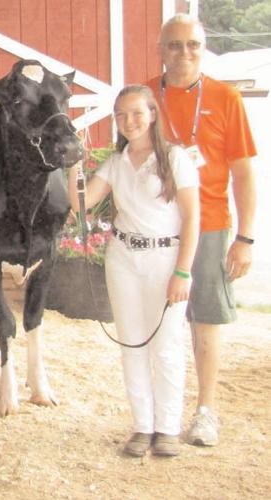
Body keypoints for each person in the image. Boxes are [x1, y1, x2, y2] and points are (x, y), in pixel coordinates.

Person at [69, 85, 199, 457]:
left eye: (136, 113)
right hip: (124, 257)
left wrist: (183, 271)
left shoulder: (174, 158)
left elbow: (192, 218)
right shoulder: (116, 162)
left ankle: (168, 427)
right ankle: (143, 426)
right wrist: (74, 162)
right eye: (121, 115)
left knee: (167, 344)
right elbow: (81, 203)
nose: (129, 122)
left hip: (165, 257)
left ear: (152, 114)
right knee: (132, 343)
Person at [149, 14, 257, 447]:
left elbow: (244, 175)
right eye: (174, 45)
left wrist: (245, 238)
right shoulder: (145, 95)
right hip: (157, 228)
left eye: (193, 44)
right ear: (160, 49)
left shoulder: (225, 97)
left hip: (210, 227)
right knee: (159, 323)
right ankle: (159, 411)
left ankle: (206, 411)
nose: (184, 53)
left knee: (205, 321)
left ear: (204, 48)